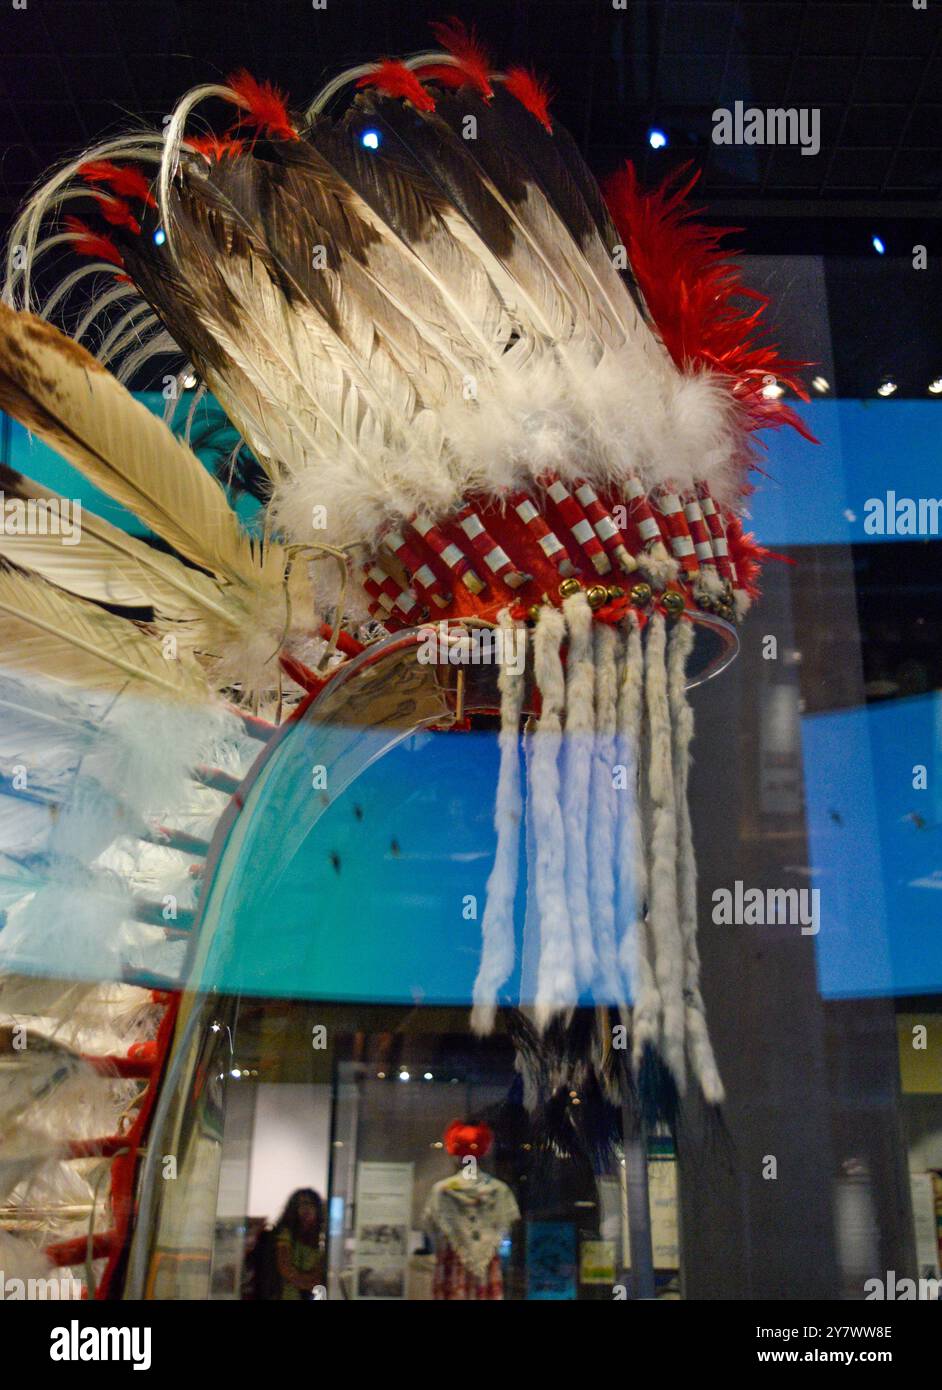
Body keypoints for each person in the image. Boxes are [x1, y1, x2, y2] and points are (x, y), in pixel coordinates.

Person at [273, 1189, 325, 1300]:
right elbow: (285, 1268)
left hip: (316, 1293)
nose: (306, 1209)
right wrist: (305, 1282)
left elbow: (322, 1270)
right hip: (289, 1293)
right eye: (301, 1204)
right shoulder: (285, 1234)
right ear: (293, 1208)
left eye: (310, 1204)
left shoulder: (323, 1236)